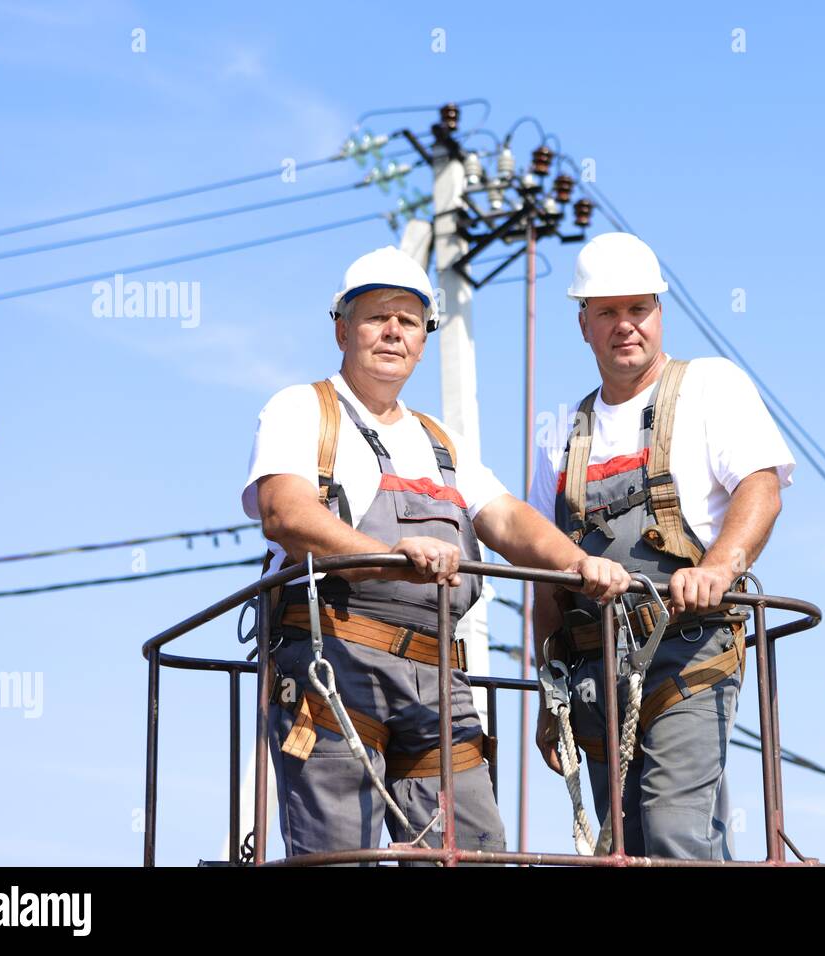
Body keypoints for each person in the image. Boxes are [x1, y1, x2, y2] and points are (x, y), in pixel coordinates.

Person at [242, 245, 631, 862]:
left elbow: (506, 517)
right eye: (376, 317)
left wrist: (575, 564)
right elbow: (285, 513)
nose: (393, 332)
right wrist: (389, 554)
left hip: (437, 678)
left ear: (424, 338)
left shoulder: (438, 441)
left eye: (408, 320)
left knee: (473, 848)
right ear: (342, 329)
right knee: (338, 856)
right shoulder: (303, 410)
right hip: (332, 662)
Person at [530, 232, 795, 860]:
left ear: (659, 312)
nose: (625, 326)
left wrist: (720, 566)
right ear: (584, 324)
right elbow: (544, 566)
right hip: (597, 671)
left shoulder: (709, 387)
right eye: (607, 312)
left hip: (687, 652)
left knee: (675, 829)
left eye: (638, 309)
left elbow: (760, 488)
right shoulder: (561, 435)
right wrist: (549, 695)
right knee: (622, 844)